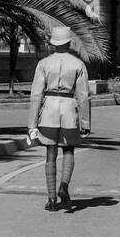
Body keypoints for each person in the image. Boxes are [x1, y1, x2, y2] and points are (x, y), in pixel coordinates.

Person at [28, 26, 90, 212]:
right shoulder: (78, 64)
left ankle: (52, 199)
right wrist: (85, 123)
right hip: (69, 110)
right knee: (68, 150)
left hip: (49, 111)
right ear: (69, 43)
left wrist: (31, 124)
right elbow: (84, 96)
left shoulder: (44, 64)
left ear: (53, 44)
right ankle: (64, 185)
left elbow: (36, 95)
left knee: (50, 153)